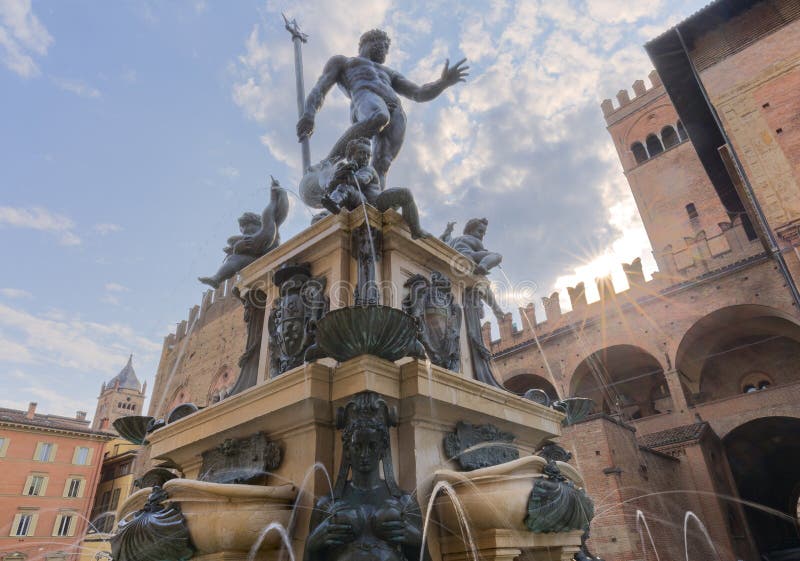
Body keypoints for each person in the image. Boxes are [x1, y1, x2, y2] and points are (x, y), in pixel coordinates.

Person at [297, 29, 468, 187]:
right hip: (365, 96)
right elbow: (320, 88)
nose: (386, 51)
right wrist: (309, 114)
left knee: (382, 163)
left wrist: (443, 82)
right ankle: (328, 162)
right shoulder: (344, 62)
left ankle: (374, 201)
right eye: (384, 46)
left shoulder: (389, 73)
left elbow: (419, 93)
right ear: (370, 41)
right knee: (379, 116)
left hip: (397, 111)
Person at [304, 392, 427, 561]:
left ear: (382, 448)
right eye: (357, 446)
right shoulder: (327, 505)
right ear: (347, 449)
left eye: (372, 446)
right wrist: (312, 546)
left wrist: (418, 541)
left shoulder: (405, 503)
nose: (364, 454)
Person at [322, 138, 430, 239]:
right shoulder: (343, 169)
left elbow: (362, 180)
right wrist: (339, 174)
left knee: (406, 193)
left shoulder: (368, 169)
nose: (365, 157)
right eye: (361, 153)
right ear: (350, 156)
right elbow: (330, 188)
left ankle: (416, 229)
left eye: (368, 155)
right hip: (362, 203)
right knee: (344, 187)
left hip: (378, 204)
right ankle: (334, 204)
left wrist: (345, 175)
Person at [198, 177, 288, 288]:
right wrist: (235, 249)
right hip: (257, 264)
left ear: (257, 222)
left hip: (273, 261)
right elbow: (233, 242)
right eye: (242, 228)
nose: (244, 230)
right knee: (234, 259)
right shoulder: (246, 240)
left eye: (248, 225)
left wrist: (278, 192)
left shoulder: (269, 224)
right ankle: (216, 279)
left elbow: (281, 210)